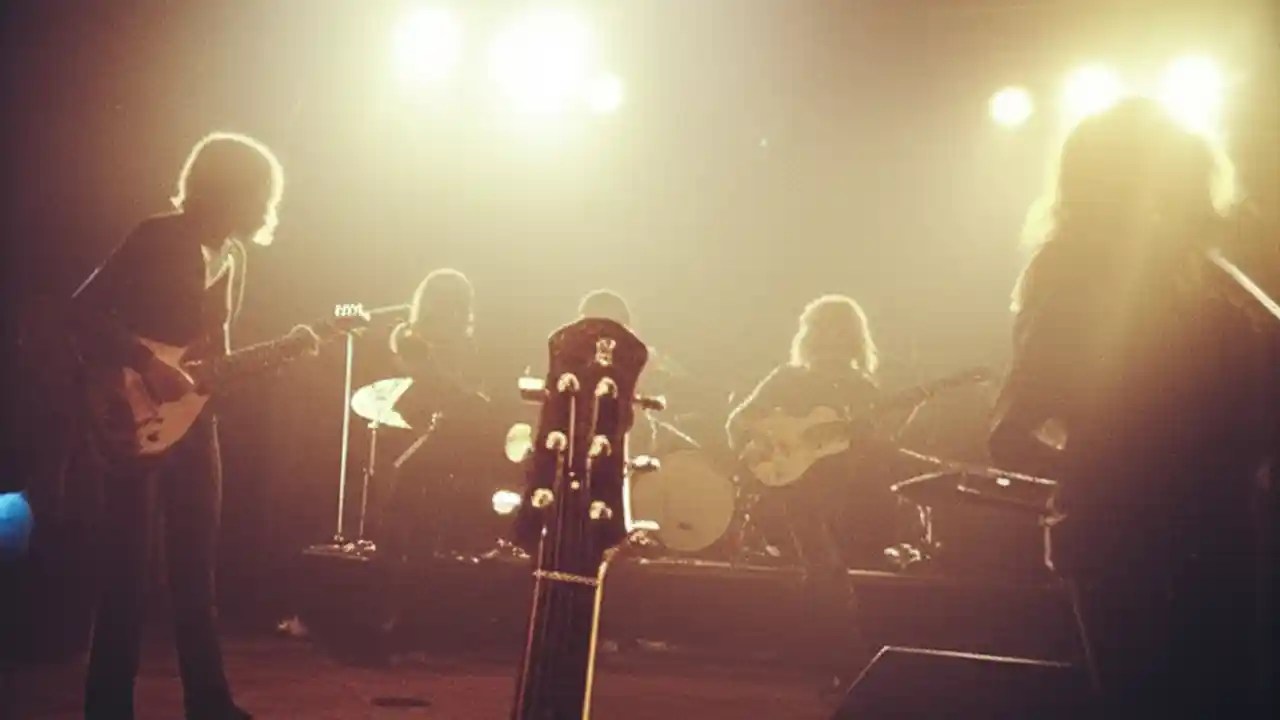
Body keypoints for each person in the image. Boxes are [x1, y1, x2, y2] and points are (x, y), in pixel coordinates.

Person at [989, 97, 1277, 719]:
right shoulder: (1075, 273)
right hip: (1136, 544)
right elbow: (1014, 427)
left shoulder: (1207, 279)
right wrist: (1124, 456)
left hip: (1212, 535)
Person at [70, 132, 286, 720]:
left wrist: (277, 355)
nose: (267, 203)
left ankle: (209, 704)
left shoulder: (233, 259)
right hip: (132, 418)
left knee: (196, 571)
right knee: (128, 573)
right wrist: (144, 366)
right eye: (261, 190)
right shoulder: (157, 235)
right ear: (235, 190)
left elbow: (212, 355)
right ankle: (107, 707)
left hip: (195, 423)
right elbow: (83, 310)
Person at [726, 294, 883, 690]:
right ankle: (850, 663)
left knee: (823, 571)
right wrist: (769, 443)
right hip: (790, 491)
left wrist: (862, 436)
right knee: (825, 569)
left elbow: (875, 448)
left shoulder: (861, 389)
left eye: (837, 328)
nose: (829, 337)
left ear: (851, 337)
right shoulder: (787, 379)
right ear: (810, 334)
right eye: (821, 327)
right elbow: (737, 422)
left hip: (846, 496)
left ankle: (815, 653)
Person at [381, 268, 494, 560]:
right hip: (441, 423)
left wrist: (427, 361)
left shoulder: (459, 344)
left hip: (460, 427)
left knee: (406, 476)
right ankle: (413, 557)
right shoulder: (423, 338)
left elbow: (458, 389)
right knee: (421, 490)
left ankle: (396, 558)